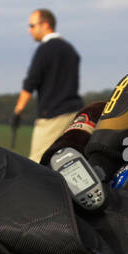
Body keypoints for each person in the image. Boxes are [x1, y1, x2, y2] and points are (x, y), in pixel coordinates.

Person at [13, 9, 82, 162]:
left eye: (32, 26)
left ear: (45, 25)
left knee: (37, 164)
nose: (29, 30)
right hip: (75, 114)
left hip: (52, 116)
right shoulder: (70, 50)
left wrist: (18, 110)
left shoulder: (44, 50)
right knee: (68, 163)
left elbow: (31, 82)